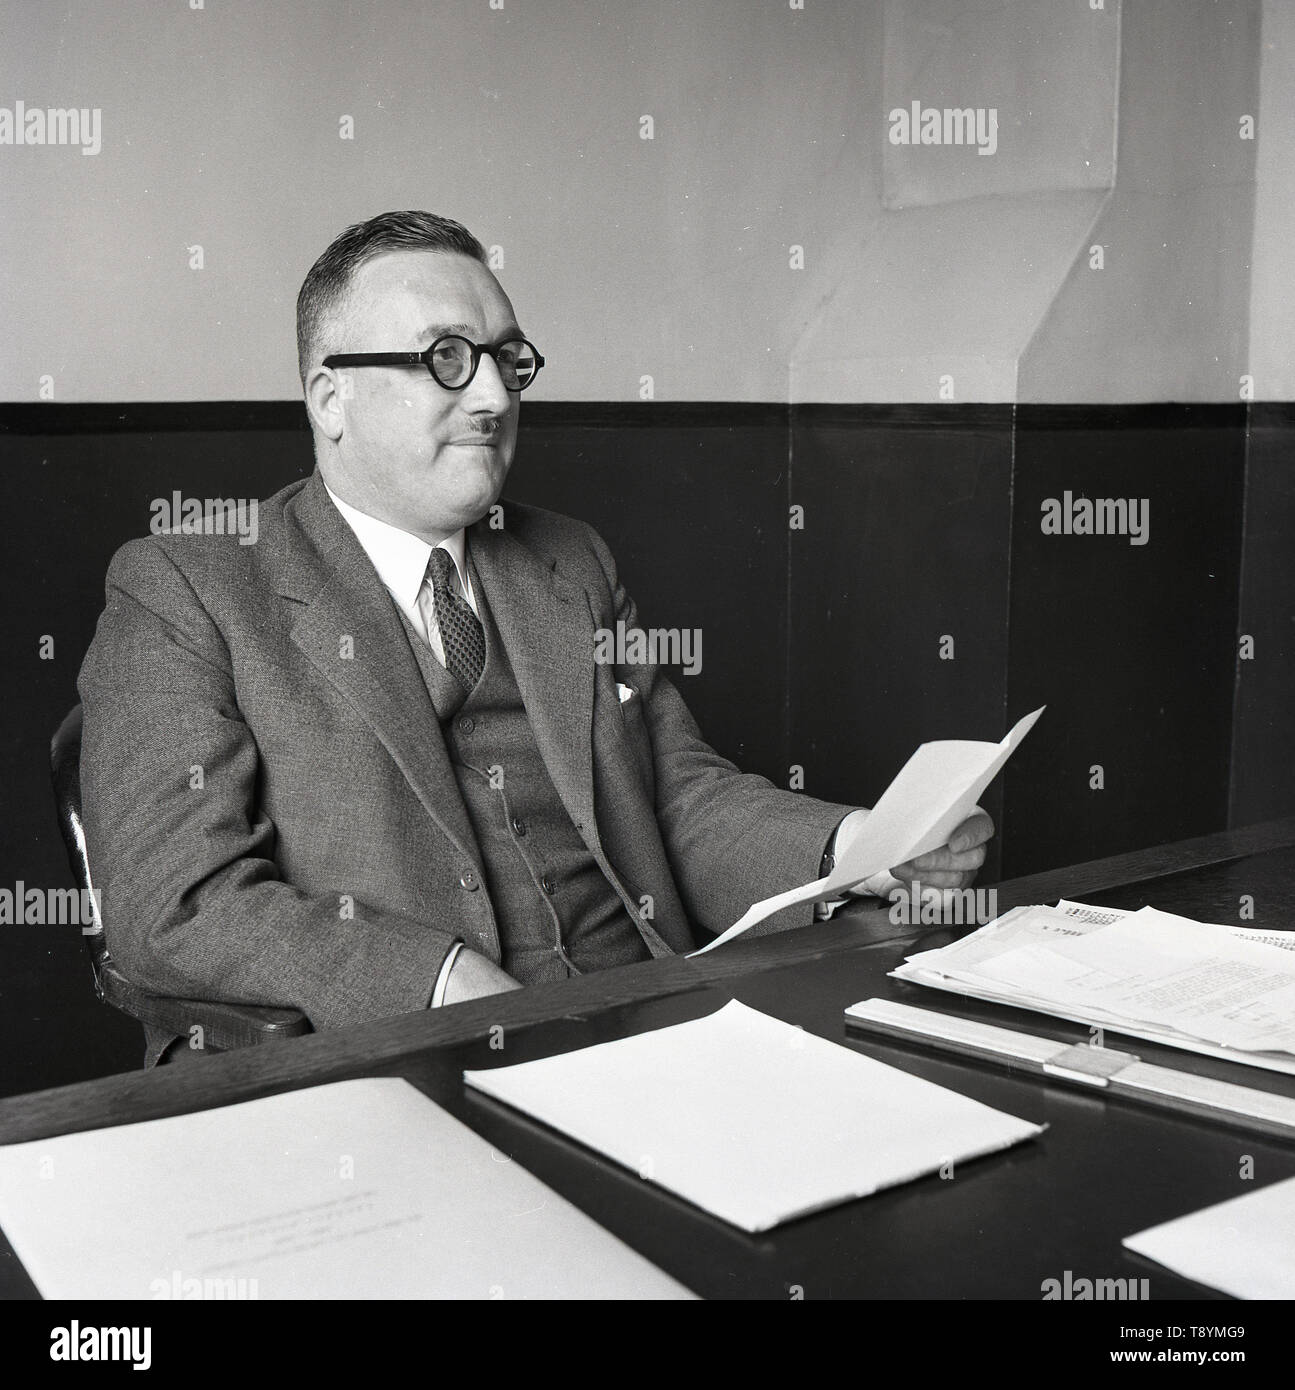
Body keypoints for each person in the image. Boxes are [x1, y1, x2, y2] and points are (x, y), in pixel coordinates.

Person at [78, 210, 992, 1063]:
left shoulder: (570, 560)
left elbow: (674, 798)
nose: (490, 396)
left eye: (505, 359)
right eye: (444, 357)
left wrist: (857, 850)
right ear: (330, 398)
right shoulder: (186, 587)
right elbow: (178, 901)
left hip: (657, 1024)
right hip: (399, 1066)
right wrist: (436, 979)